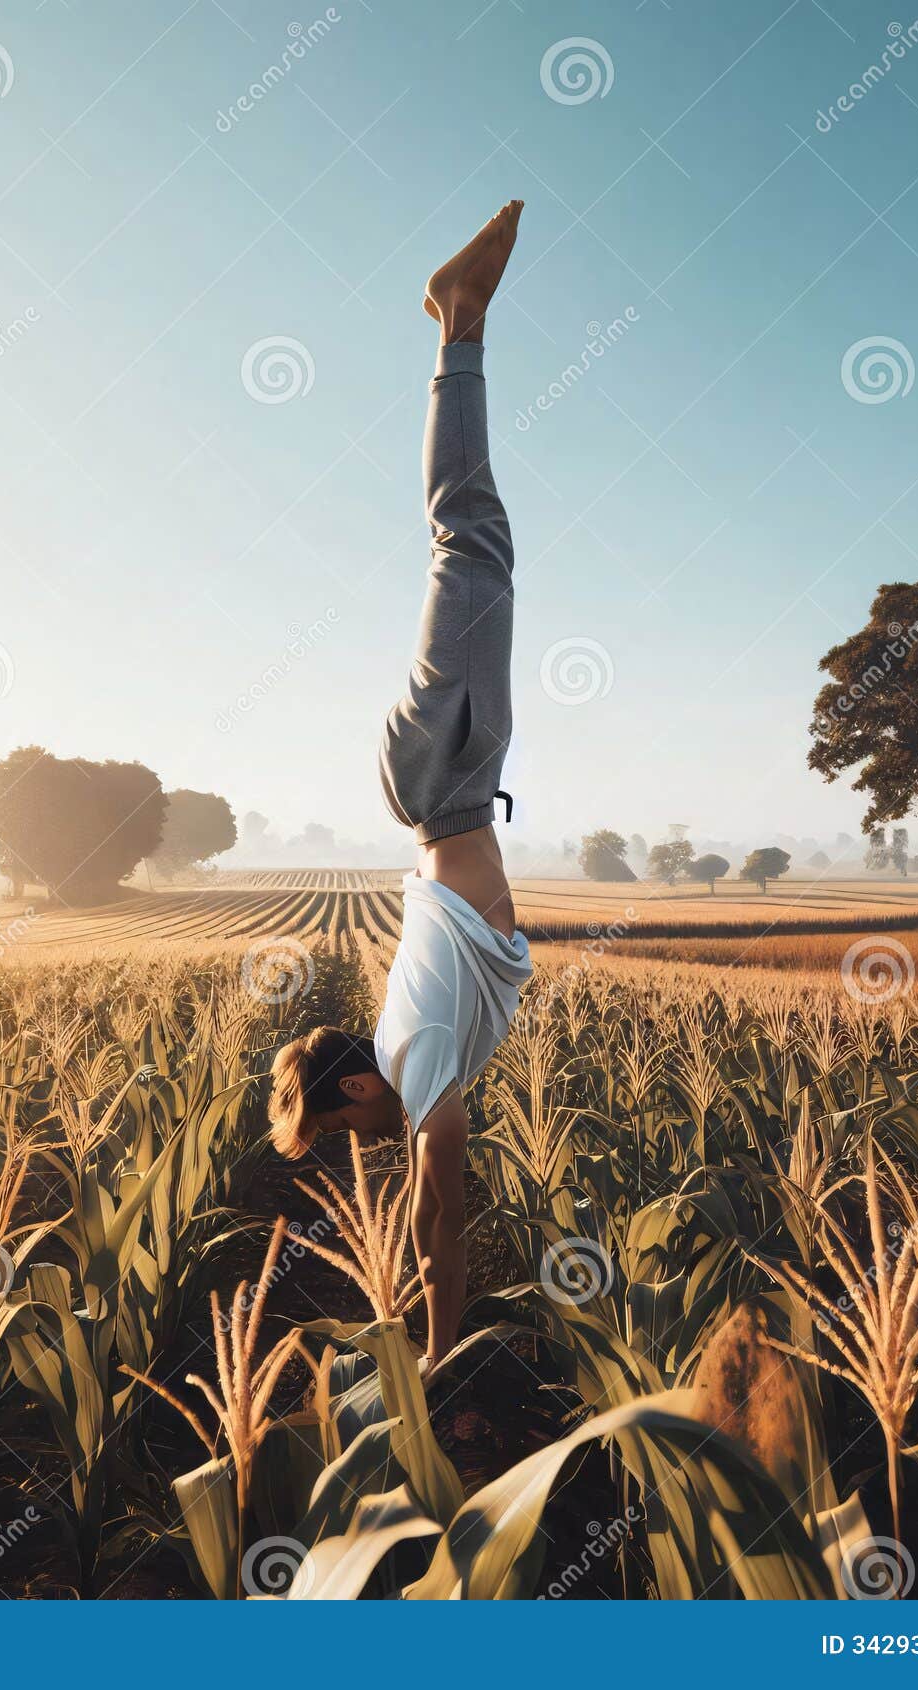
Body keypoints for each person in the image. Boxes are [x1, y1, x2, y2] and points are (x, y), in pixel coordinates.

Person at [267, 200, 531, 1368]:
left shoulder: (417, 1062)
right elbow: (432, 1197)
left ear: (353, 1093)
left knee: (466, 541)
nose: (359, 1148)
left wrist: (433, 1341)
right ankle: (457, 323)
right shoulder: (418, 1058)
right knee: (473, 545)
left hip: (445, 778)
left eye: (342, 1133)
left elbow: (439, 1214)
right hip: (451, 782)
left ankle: (456, 321)